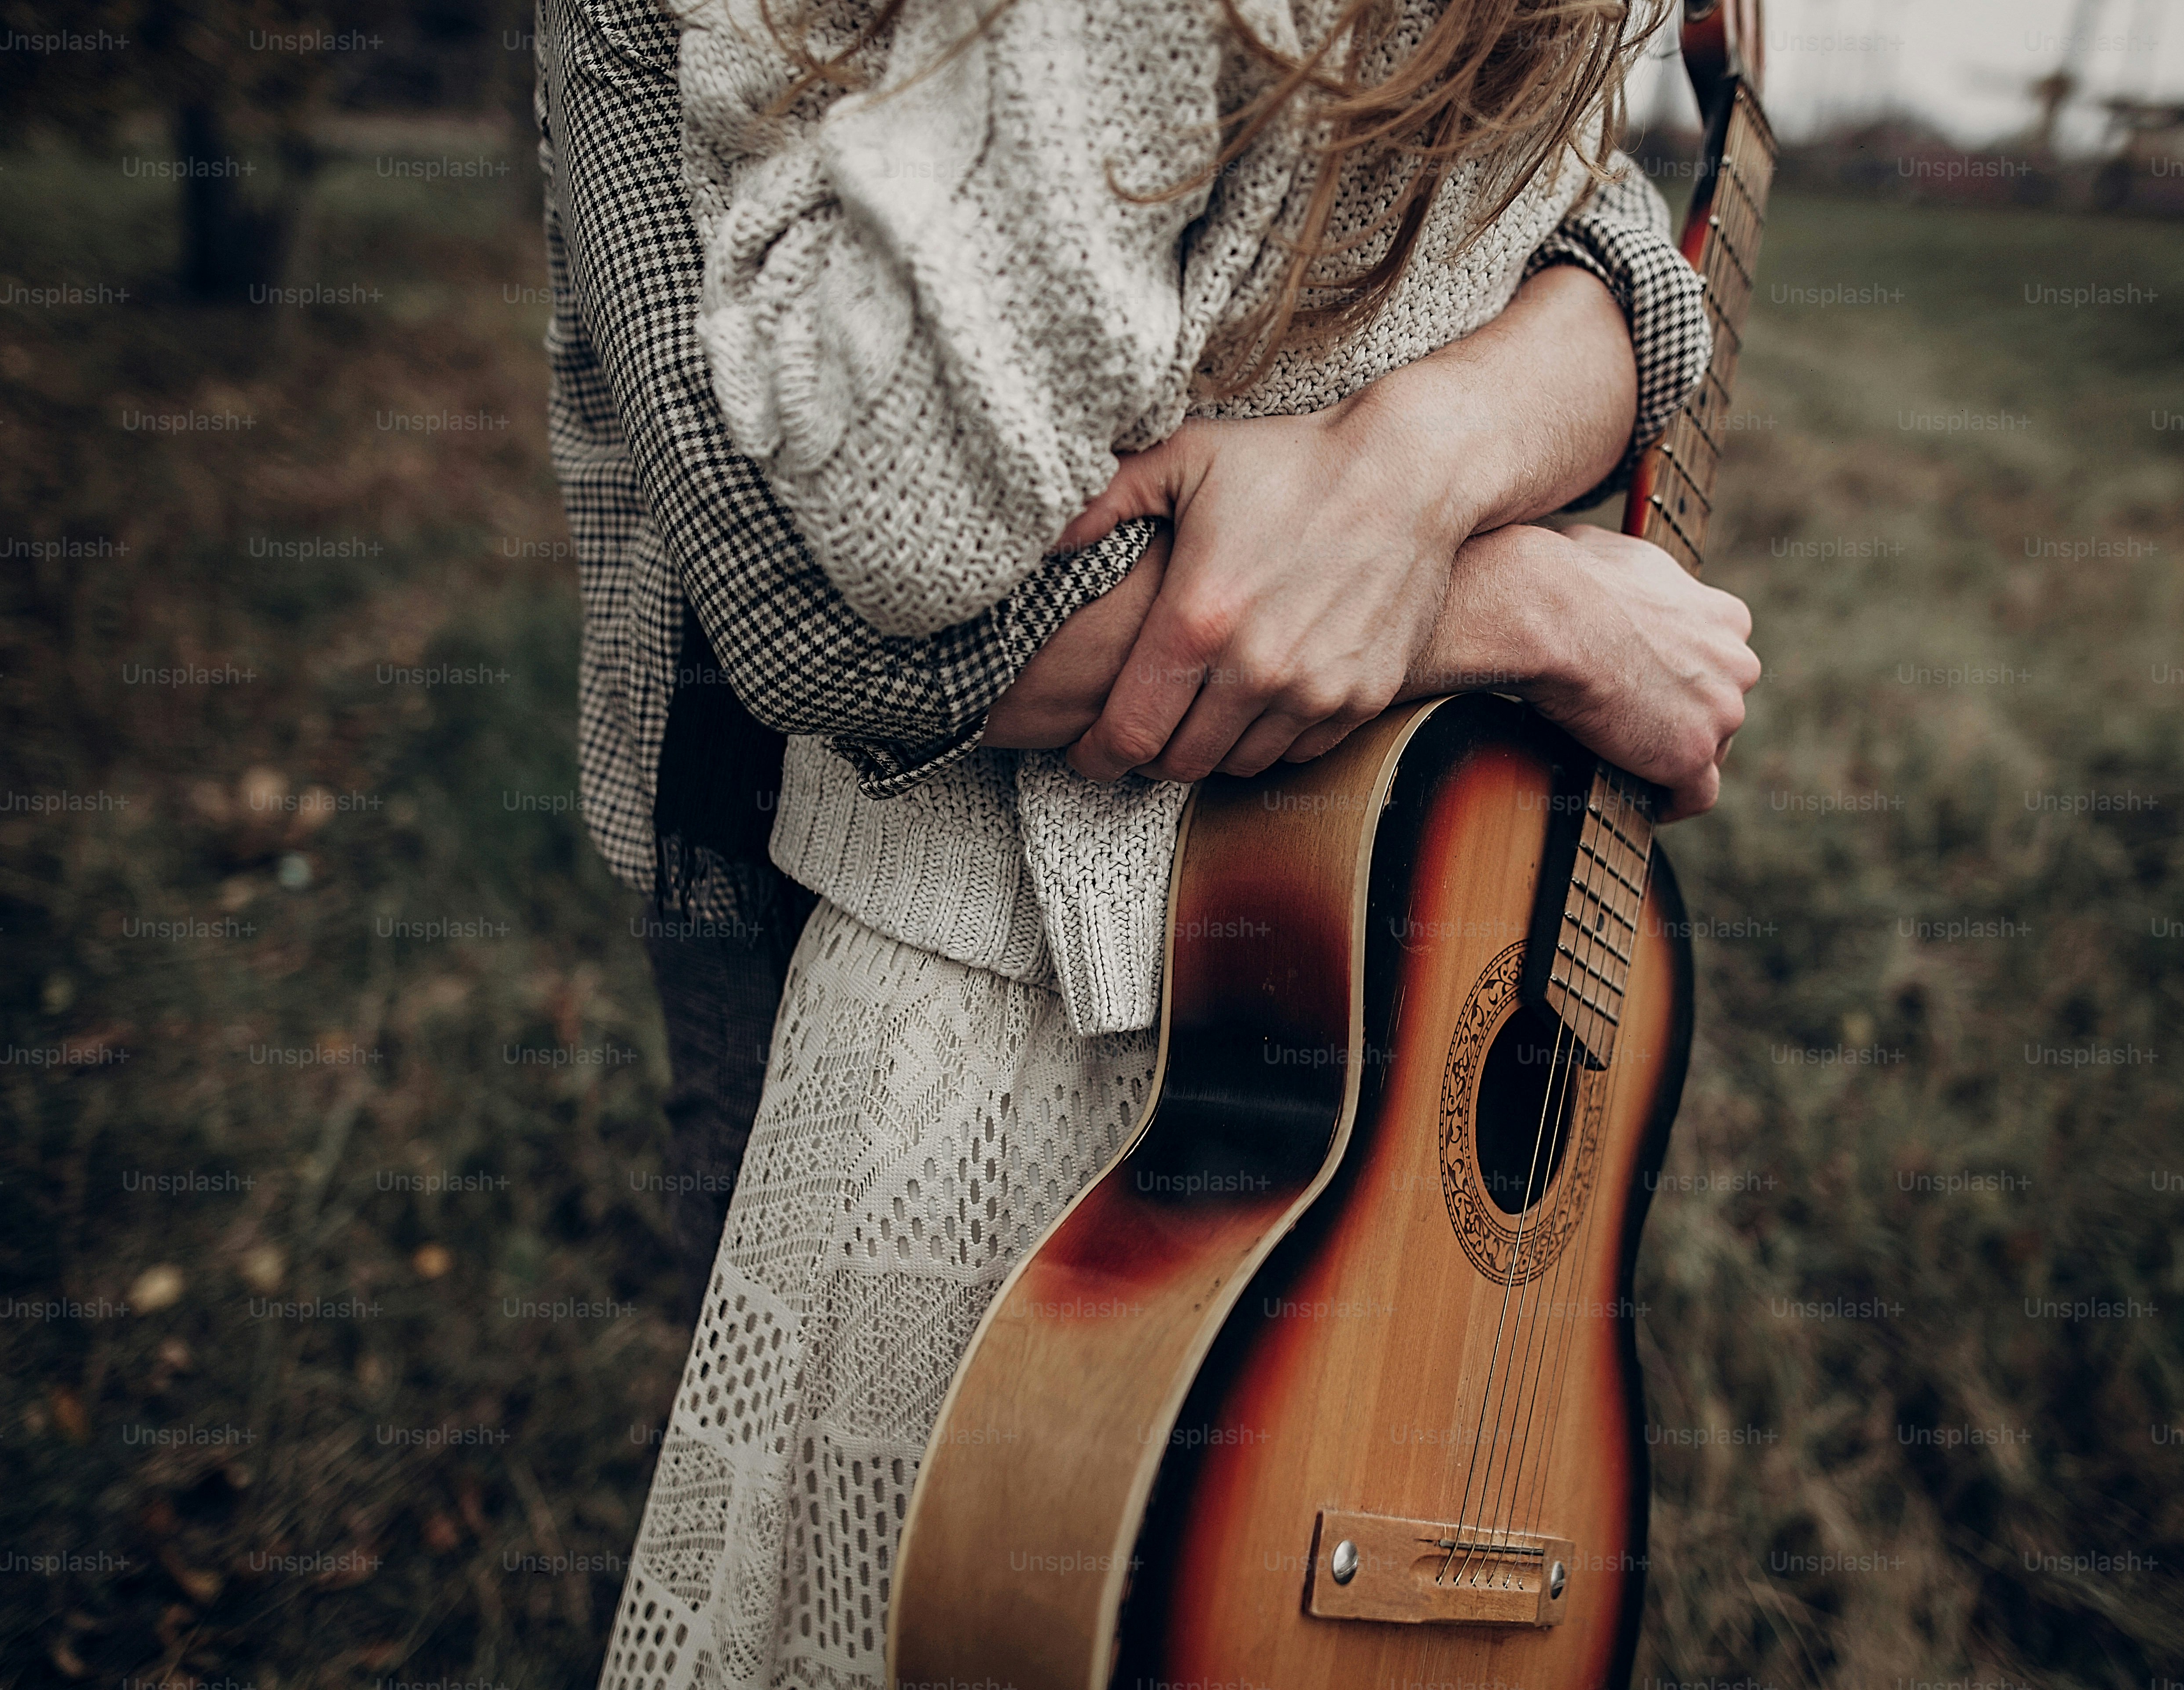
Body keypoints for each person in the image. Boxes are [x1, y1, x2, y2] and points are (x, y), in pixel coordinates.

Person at [531, 0, 1760, 1682]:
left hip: (1352, 886)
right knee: (898, 1526)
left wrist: (1412, 460)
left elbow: (1603, 227)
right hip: (830, 862)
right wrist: (1513, 601)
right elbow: (817, 617)